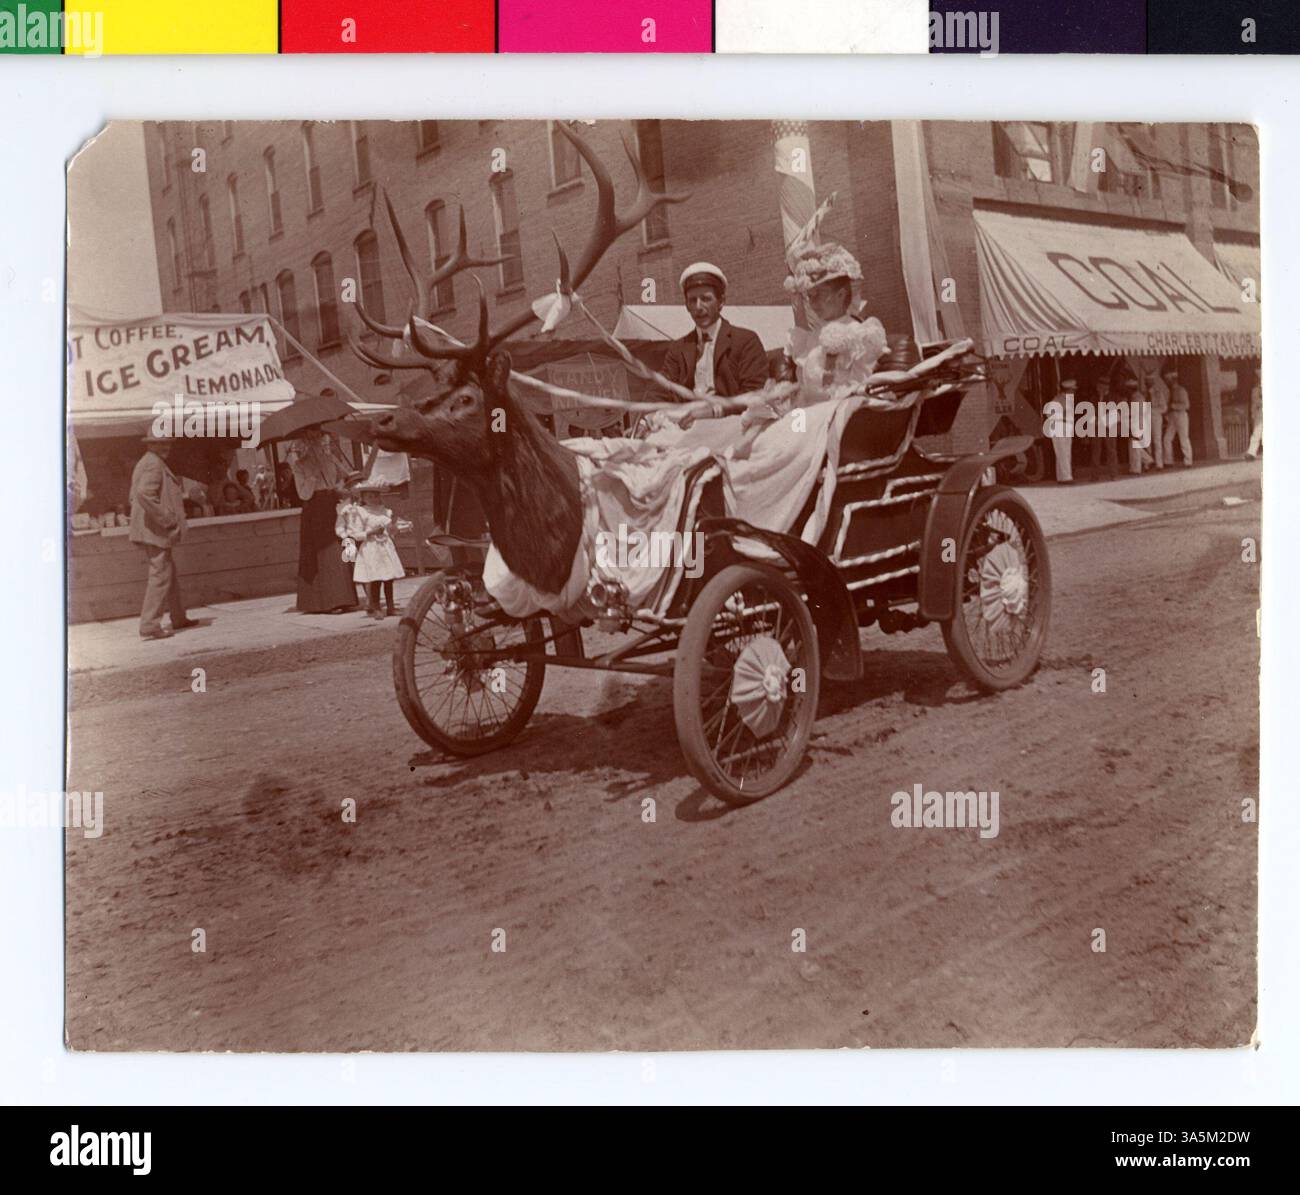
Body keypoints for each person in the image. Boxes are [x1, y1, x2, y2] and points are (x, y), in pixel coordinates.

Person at [780, 241, 887, 404]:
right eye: (810, 296)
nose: (813, 302)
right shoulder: (812, 337)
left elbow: (861, 390)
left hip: (840, 413)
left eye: (819, 294)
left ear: (841, 295)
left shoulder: (860, 334)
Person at [661, 263, 770, 399]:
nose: (698, 307)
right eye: (692, 300)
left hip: (732, 418)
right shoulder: (677, 350)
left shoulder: (746, 341)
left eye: (706, 299)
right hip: (686, 418)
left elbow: (754, 392)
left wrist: (715, 410)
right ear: (687, 306)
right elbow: (660, 390)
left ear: (721, 301)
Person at [128, 430, 197, 640]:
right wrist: (167, 518)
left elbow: (135, 495)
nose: (165, 447)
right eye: (160, 443)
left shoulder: (150, 461)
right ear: (150, 445)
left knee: (168, 573)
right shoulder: (153, 464)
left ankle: (178, 617)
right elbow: (143, 494)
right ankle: (149, 625)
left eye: (167, 443)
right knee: (160, 575)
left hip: (151, 528)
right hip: (155, 529)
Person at [286, 428, 358, 614]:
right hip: (314, 510)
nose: (317, 444)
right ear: (304, 444)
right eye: (312, 441)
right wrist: (311, 478)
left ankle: (344, 597)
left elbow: (347, 478)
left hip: (332, 505)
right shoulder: (300, 465)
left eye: (320, 440)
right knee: (322, 552)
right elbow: (303, 494)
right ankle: (325, 602)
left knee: (338, 548)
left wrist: (341, 486)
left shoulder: (330, 459)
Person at [338, 481, 405, 619]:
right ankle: (375, 607)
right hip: (369, 546)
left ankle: (390, 606)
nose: (373, 499)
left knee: (388, 577)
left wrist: (395, 528)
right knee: (375, 577)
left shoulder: (384, 511)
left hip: (384, 546)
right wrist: (370, 532)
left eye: (375, 495)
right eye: (369, 496)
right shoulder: (359, 512)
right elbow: (354, 533)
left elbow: (391, 529)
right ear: (363, 498)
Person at [1044, 376, 1076, 484]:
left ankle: (1062, 477)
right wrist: (1062, 418)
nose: (1074, 391)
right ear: (1068, 390)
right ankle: (1067, 477)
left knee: (1064, 453)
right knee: (1063, 452)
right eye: (1073, 390)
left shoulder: (1069, 400)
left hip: (1067, 428)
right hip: (1059, 427)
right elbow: (1049, 413)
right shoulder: (1057, 399)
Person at [1161, 362, 1193, 465]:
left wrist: (1173, 406)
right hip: (1173, 417)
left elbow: (1186, 405)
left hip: (1181, 415)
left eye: (1167, 380)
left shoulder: (1181, 390)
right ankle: (1168, 461)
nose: (1166, 383)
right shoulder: (1170, 391)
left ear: (1172, 380)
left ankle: (1188, 461)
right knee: (1167, 439)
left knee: (1183, 438)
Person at [1089, 375, 1120, 480]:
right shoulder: (1094, 398)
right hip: (1097, 428)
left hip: (1109, 428)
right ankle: (1095, 476)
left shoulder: (1113, 398)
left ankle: (1113, 474)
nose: (1098, 388)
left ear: (1105, 387)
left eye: (1100, 386)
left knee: (1111, 451)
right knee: (1095, 451)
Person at [1141, 363, 1168, 470]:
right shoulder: (1142, 393)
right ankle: (1148, 463)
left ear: (1153, 382)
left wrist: (1152, 410)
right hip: (1145, 417)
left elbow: (1164, 407)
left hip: (1156, 417)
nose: (1149, 383)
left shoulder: (1158, 393)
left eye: (1150, 381)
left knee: (1157, 439)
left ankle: (1159, 463)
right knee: (1146, 440)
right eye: (1147, 382)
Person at [1246, 374, 1263, 459]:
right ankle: (1251, 452)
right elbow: (1255, 403)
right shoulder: (1256, 390)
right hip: (1260, 411)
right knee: (1257, 432)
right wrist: (1253, 415)